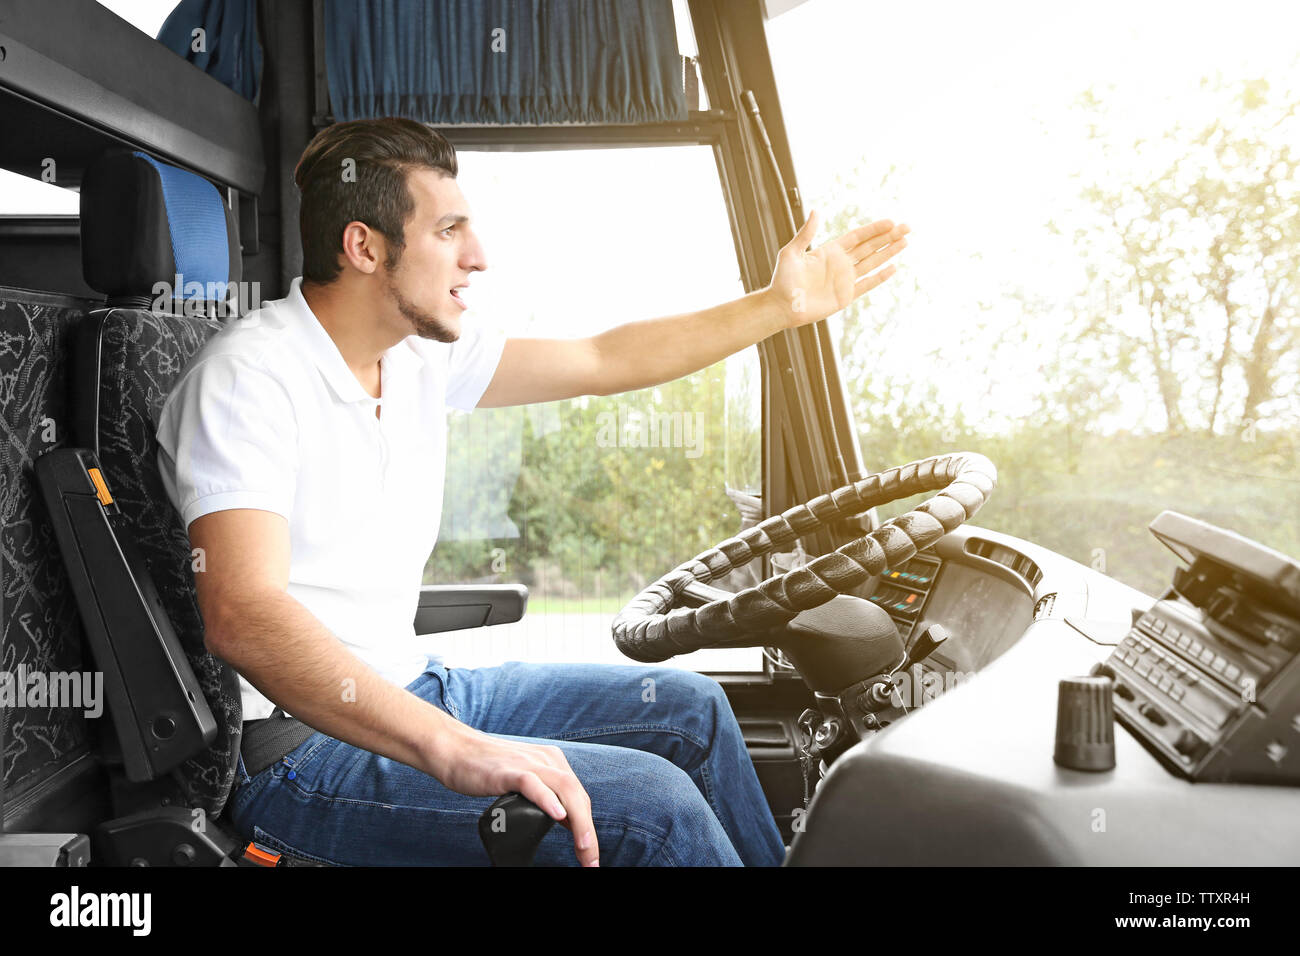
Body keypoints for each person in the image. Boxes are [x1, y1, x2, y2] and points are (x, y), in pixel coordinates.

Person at [156, 116, 908, 867]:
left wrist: (779, 308)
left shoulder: (418, 356)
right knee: (652, 807)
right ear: (364, 247)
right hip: (300, 753)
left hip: (418, 686)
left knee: (696, 714)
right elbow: (244, 615)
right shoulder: (248, 380)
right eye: (449, 231)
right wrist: (456, 750)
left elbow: (602, 357)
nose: (477, 258)